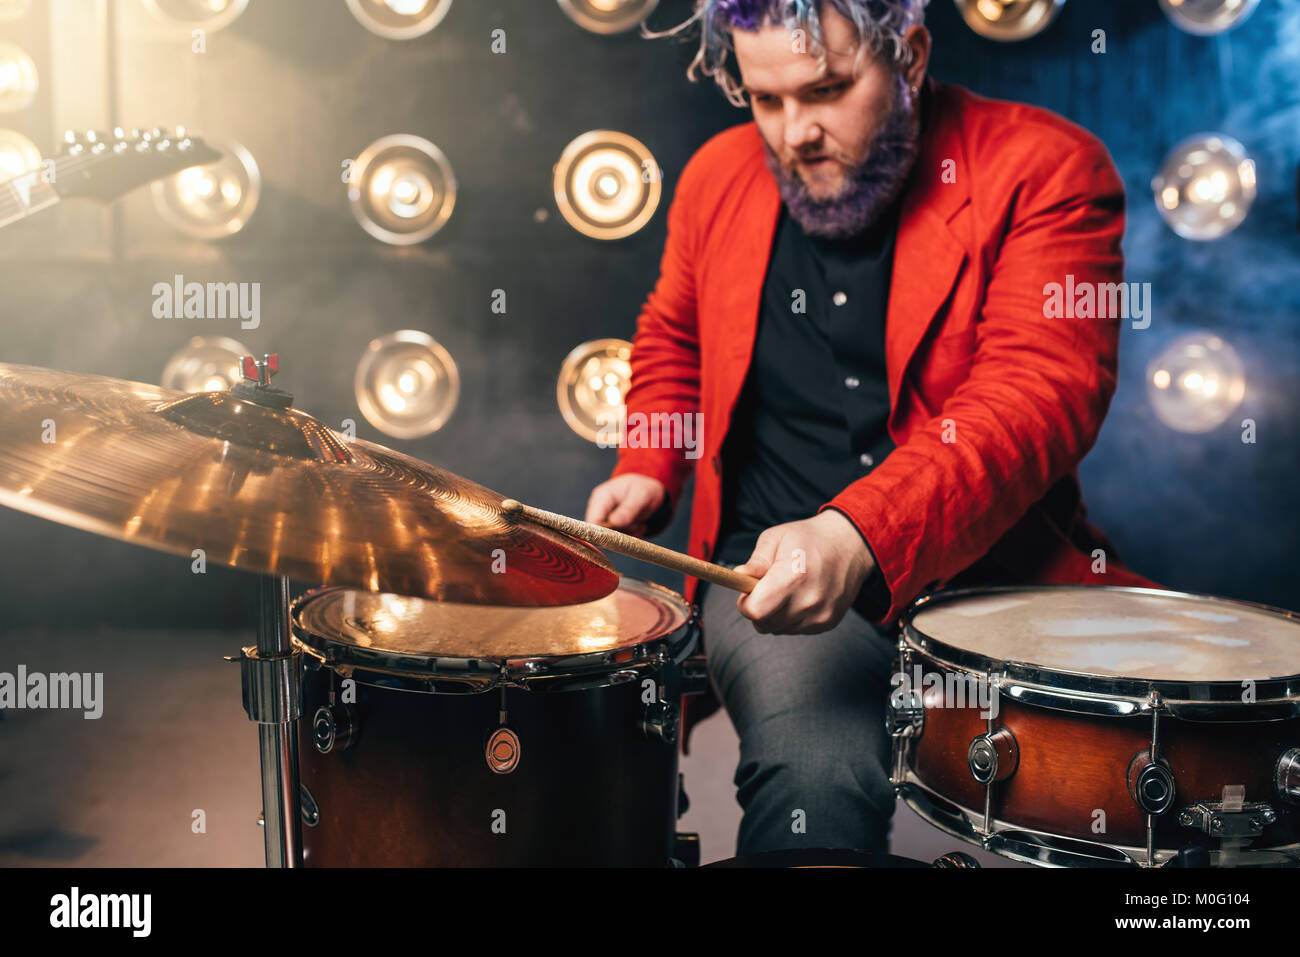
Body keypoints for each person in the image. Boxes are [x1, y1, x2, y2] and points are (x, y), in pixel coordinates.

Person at [584, 0, 1158, 856]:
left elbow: (1039, 392)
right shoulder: (715, 175)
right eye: (765, 100)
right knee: (812, 780)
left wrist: (857, 534)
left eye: (825, 90)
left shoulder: (1046, 167)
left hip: (992, 578)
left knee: (1166, 797)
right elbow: (674, 331)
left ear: (912, 56)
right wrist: (651, 462)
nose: (793, 134)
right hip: (766, 571)